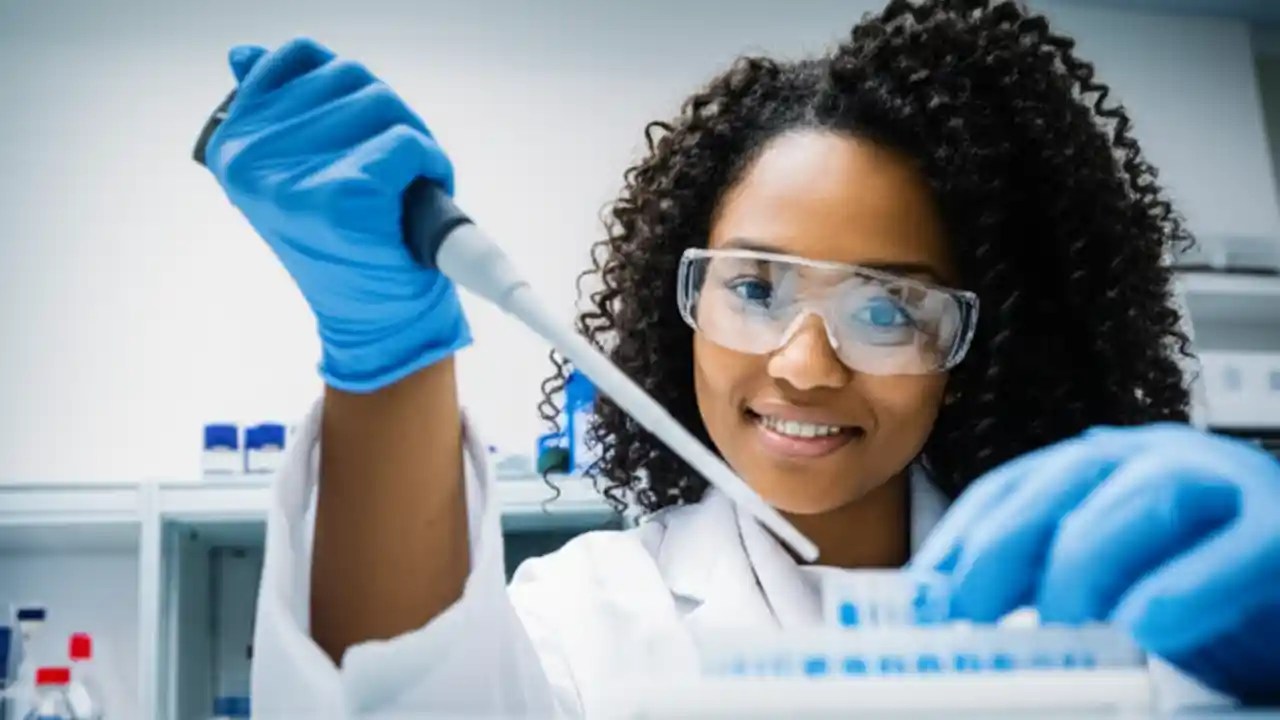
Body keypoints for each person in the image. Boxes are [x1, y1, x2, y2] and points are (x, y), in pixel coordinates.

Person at [201, 0, 1280, 715]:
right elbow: (407, 699)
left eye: (887, 309)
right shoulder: (589, 621)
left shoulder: (1113, 614)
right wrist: (385, 356)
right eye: (755, 289)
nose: (804, 366)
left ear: (971, 342)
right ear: (684, 304)